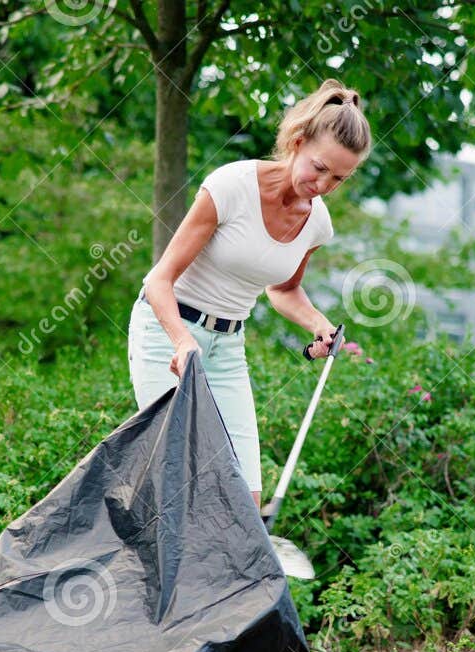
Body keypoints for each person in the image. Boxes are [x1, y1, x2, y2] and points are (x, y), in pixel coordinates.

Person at [128, 78, 372, 515]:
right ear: (297, 142)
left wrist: (319, 325)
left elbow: (284, 289)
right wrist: (183, 342)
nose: (324, 185)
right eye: (319, 168)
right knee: (176, 481)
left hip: (227, 346)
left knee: (245, 498)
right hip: (166, 333)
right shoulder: (231, 186)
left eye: (339, 178)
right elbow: (158, 280)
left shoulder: (317, 223)